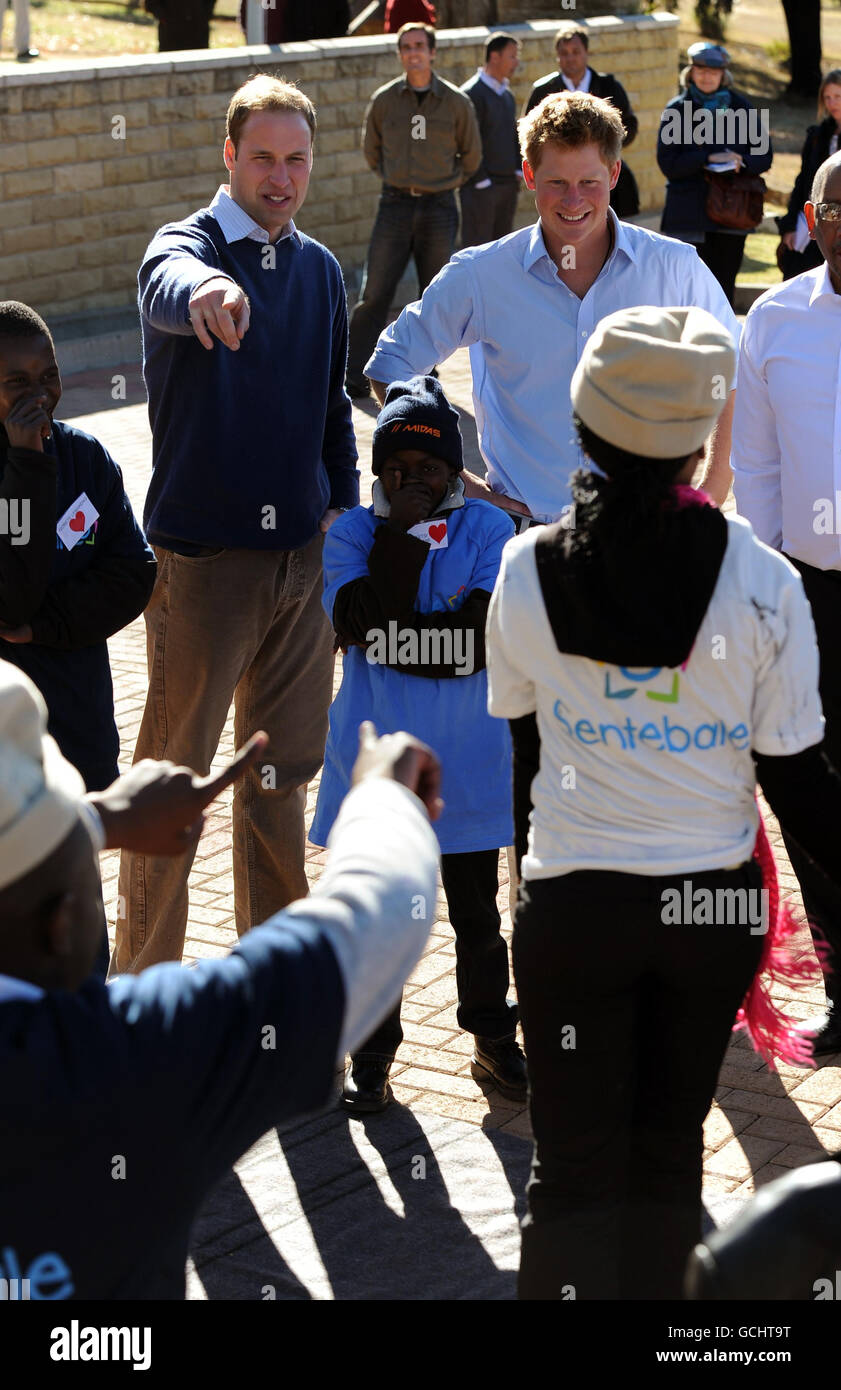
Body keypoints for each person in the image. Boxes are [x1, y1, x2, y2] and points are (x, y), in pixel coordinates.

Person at [485, 303, 841, 1300]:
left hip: (571, 912)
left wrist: (530, 911)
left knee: (567, 1178)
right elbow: (801, 790)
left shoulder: (520, 574)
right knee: (664, 1164)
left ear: (584, 424)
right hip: (707, 916)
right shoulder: (767, 583)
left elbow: (525, 770)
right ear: (697, 442)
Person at [0, 662, 440, 1299]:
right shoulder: (129, 1058)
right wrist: (382, 798)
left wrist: (94, 824)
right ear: (63, 923)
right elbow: (376, 922)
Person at [114, 76, 359, 976]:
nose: (281, 176)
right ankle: (137, 1009)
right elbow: (166, 282)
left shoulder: (322, 269)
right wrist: (208, 290)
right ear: (229, 156)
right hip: (205, 569)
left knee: (277, 789)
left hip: (303, 569)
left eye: (296, 158)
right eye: (263, 156)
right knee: (168, 795)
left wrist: (341, 508)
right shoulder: (186, 247)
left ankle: (272, 1008)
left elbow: (332, 404)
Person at [365, 93, 741, 522]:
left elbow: (731, 373)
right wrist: (455, 479)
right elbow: (392, 363)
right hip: (523, 538)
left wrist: (710, 491)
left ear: (615, 172)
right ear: (529, 174)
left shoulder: (674, 269)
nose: (573, 199)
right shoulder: (482, 275)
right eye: (557, 182)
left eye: (589, 182)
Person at [309, 376, 525, 1110]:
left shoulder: (490, 530)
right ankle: (372, 1059)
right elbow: (365, 621)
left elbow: (473, 643)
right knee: (380, 920)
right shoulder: (348, 534)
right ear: (376, 472)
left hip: (464, 767)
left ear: (454, 471)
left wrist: (391, 635)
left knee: (476, 921)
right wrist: (397, 539)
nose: (412, 482)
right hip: (377, 774)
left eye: (429, 470)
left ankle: (494, 1042)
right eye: (396, 470)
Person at [0, 301, 157, 978]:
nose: (39, 394)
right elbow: (8, 592)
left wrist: (46, 626)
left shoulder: (86, 458)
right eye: (16, 384)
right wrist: (26, 467)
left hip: (79, 722)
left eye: (50, 375)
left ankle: (88, 1033)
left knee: (75, 905)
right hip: (9, 753)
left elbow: (133, 570)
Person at [732, 150, 841, 1060]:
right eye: (836, 207)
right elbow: (756, 466)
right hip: (810, 596)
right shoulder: (773, 317)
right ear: (812, 216)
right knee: (807, 791)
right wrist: (774, 575)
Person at [344, 22, 481, 399]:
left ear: (432, 51)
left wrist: (444, 182)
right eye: (406, 46)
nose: (413, 52)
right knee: (375, 294)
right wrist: (395, 178)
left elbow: (472, 156)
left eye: (420, 45)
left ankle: (425, 380)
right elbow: (371, 149)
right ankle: (354, 376)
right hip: (395, 204)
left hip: (439, 207)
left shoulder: (455, 103)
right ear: (400, 53)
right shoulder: (385, 101)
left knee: (434, 297)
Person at [657, 42, 774, 308]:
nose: (706, 75)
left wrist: (739, 161)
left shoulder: (743, 108)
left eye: (713, 70)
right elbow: (668, 164)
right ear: (690, 72)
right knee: (687, 292)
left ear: (724, 74)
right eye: (700, 69)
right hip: (688, 215)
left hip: (732, 213)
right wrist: (707, 158)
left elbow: (765, 156)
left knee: (723, 291)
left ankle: (725, 348)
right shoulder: (676, 109)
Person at [523, 24, 639, 220]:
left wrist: (604, 151)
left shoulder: (608, 85)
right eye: (564, 53)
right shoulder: (543, 91)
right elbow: (529, 134)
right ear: (557, 56)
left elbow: (629, 124)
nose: (570, 58)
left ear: (586, 53)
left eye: (576, 52)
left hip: (602, 168)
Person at [776, 69, 841, 280]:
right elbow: (803, 181)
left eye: (838, 96)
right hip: (812, 220)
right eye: (827, 97)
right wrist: (790, 225)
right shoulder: (818, 134)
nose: (832, 103)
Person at [459, 33, 522, 249]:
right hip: (481, 189)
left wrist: (517, 170)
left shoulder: (507, 95)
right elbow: (464, 142)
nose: (517, 62)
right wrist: (481, 181)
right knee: (478, 254)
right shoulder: (470, 94)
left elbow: (513, 134)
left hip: (507, 186)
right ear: (495, 57)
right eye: (512, 56)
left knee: (501, 252)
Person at [144, 0, 215, 51]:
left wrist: (204, 15)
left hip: (198, 31)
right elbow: (151, 4)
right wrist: (165, 19)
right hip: (171, 33)